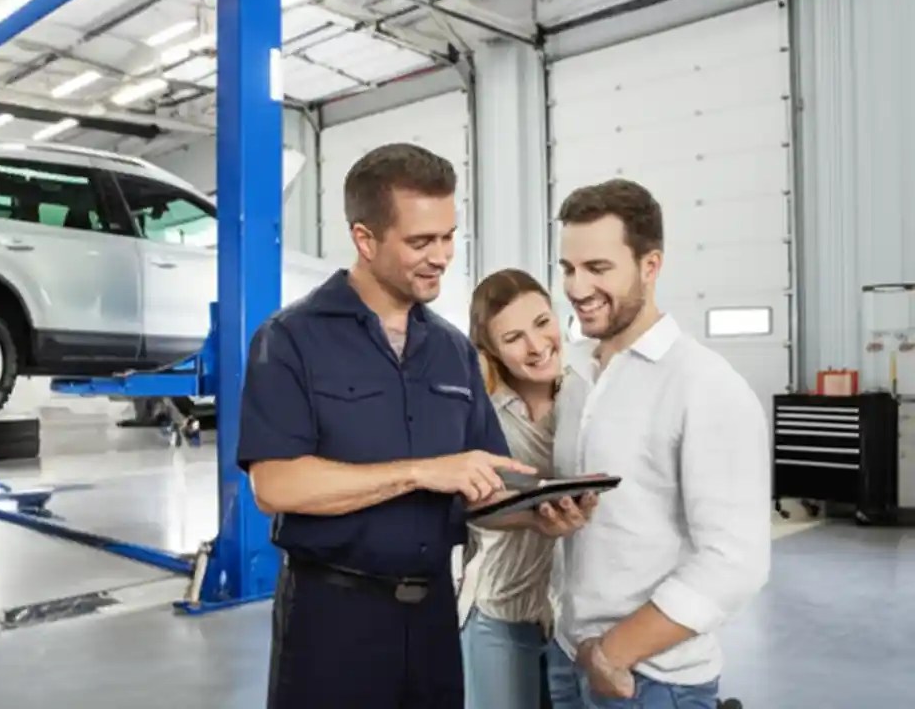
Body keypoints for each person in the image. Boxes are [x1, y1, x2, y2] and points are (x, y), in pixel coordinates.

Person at [235, 143, 534, 709]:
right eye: (421, 241)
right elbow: (275, 486)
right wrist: (422, 472)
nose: (442, 256)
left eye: (449, 236)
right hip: (332, 620)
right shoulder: (292, 339)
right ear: (365, 239)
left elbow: (481, 482)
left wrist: (539, 513)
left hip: (433, 621)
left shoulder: (451, 350)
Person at [546, 178, 771, 708]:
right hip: (566, 657)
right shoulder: (578, 376)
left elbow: (734, 560)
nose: (577, 288)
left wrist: (614, 652)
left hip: (650, 680)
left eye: (598, 269)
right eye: (568, 269)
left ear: (651, 266)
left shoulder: (703, 385)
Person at [457, 269, 598, 709]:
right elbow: (467, 508)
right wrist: (536, 518)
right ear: (491, 350)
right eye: (514, 337)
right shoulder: (481, 411)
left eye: (542, 323)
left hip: (575, 620)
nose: (537, 346)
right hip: (502, 610)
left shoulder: (590, 388)